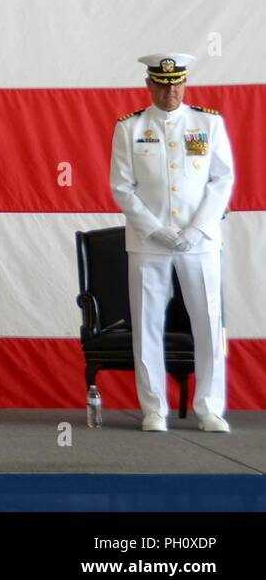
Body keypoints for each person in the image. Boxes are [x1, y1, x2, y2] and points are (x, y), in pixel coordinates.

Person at [110, 53, 234, 433]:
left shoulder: (208, 123)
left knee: (209, 323)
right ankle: (154, 408)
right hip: (150, 242)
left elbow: (222, 180)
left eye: (177, 83)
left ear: (185, 83)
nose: (170, 92)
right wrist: (155, 228)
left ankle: (210, 407)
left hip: (200, 241)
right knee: (148, 323)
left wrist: (198, 227)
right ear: (149, 86)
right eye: (162, 85)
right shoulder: (130, 127)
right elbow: (121, 186)